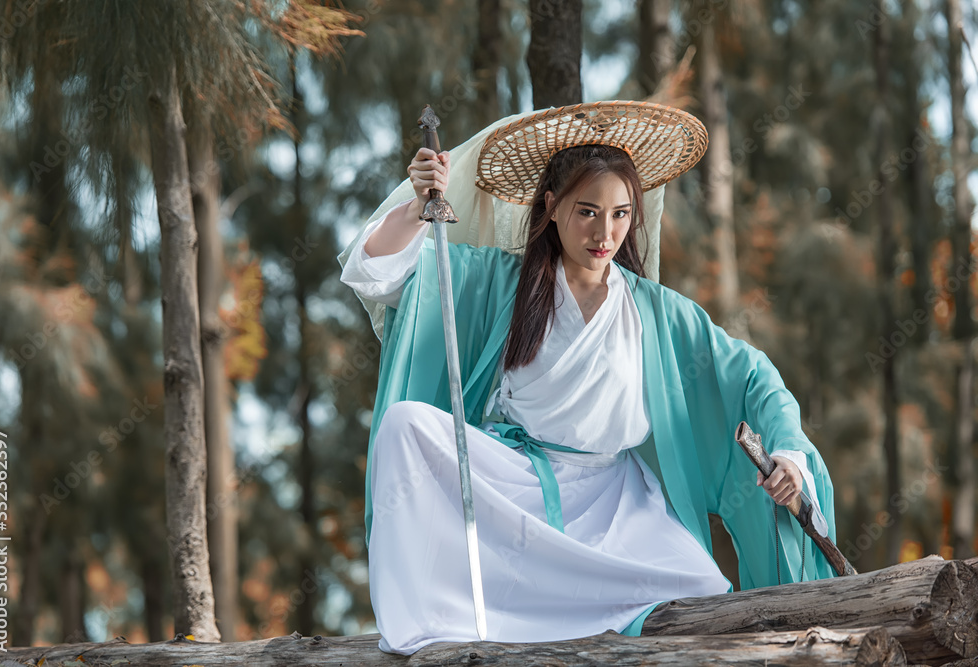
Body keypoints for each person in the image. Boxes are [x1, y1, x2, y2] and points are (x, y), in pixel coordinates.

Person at [337, 101, 838, 656]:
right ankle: (435, 626)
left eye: (621, 213)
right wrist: (416, 207)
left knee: (704, 599)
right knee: (405, 426)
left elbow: (754, 377)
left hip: (619, 505)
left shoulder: (658, 313)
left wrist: (789, 454)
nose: (606, 232)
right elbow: (383, 272)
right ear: (550, 207)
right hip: (517, 486)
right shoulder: (500, 283)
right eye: (587, 212)